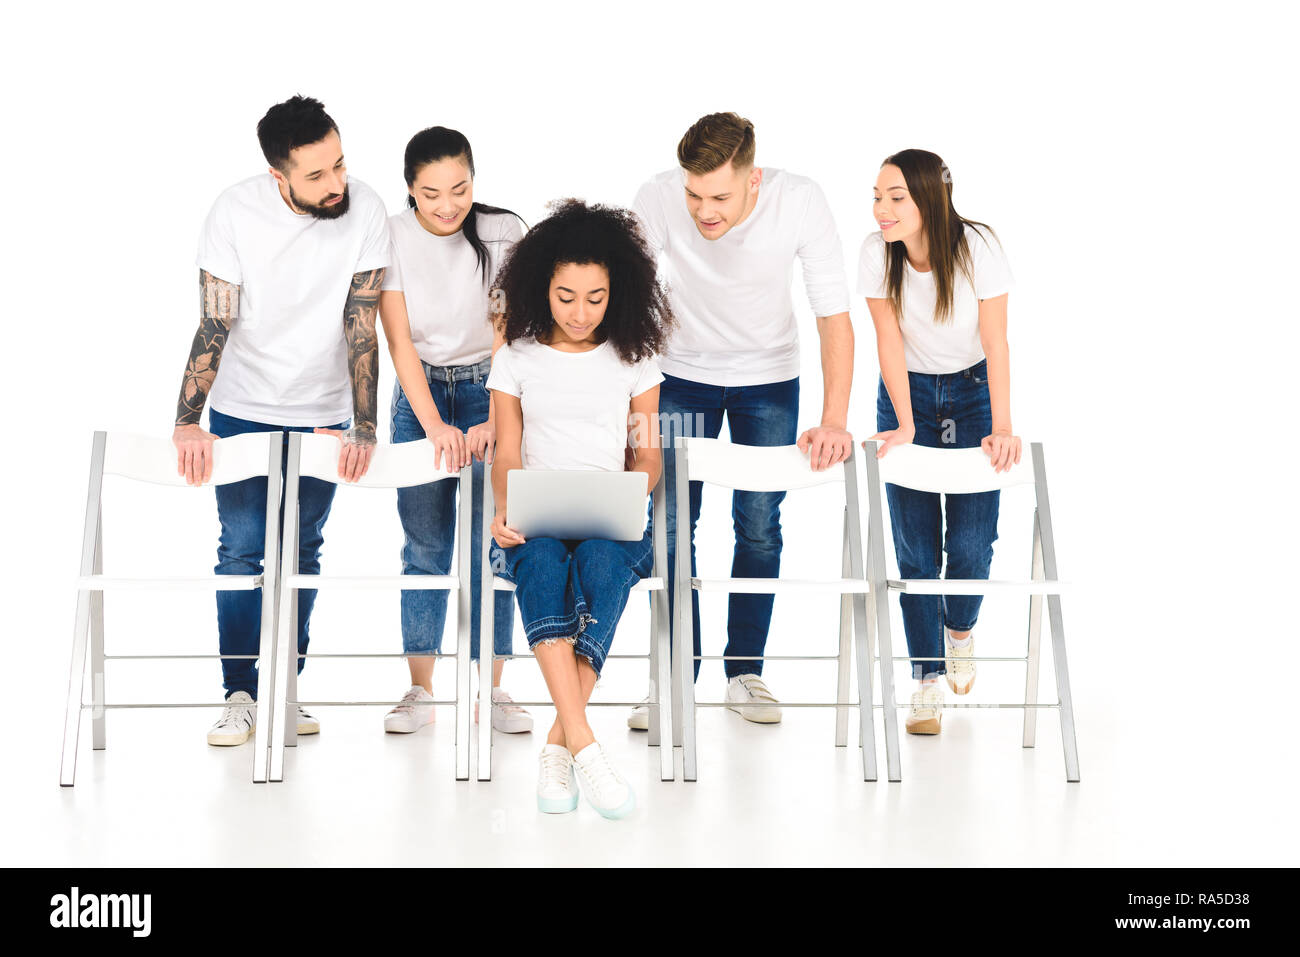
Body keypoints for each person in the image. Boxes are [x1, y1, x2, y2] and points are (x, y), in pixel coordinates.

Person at [171, 95, 390, 746]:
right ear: (279, 175)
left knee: (302, 549)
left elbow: (362, 323)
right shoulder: (234, 211)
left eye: (340, 165)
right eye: (317, 175)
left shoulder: (367, 209)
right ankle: (240, 691)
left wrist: (365, 422)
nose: (336, 184)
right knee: (241, 550)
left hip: (324, 409)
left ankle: (286, 687)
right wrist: (187, 419)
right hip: (243, 405)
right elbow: (216, 319)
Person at [630, 112, 854, 728]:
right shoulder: (654, 197)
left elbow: (833, 312)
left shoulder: (800, 200)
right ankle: (675, 676)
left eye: (720, 197)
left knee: (758, 526)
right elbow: (628, 302)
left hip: (769, 380)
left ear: (753, 178)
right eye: (694, 194)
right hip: (677, 376)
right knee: (669, 526)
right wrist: (633, 410)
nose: (704, 211)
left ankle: (745, 671)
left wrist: (834, 418)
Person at [487, 199, 672, 819]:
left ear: (617, 294)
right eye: (566, 296)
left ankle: (559, 743)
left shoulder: (636, 358)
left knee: (598, 560)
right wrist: (505, 508)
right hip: (533, 522)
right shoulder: (514, 357)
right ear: (543, 288)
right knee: (539, 563)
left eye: (596, 298)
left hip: (612, 525)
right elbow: (506, 452)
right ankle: (585, 745)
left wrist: (630, 492)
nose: (579, 312)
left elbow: (648, 460)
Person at [377, 126, 532, 735]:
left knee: (497, 542)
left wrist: (496, 413)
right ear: (410, 191)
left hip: (491, 384)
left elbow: (510, 330)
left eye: (460, 189)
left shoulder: (503, 231)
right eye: (431, 193)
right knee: (425, 547)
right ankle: (419, 690)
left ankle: (491, 689)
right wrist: (434, 423)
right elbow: (399, 339)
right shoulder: (389, 234)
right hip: (420, 391)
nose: (447, 205)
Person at [860, 148, 1020, 735]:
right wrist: (903, 421)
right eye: (877, 196)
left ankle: (959, 631)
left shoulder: (977, 247)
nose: (882, 209)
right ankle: (925, 680)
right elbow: (888, 341)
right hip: (909, 396)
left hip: (973, 393)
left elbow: (997, 342)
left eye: (896, 197)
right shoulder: (877, 255)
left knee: (973, 543)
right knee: (916, 548)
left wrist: (1001, 426)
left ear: (930, 197)